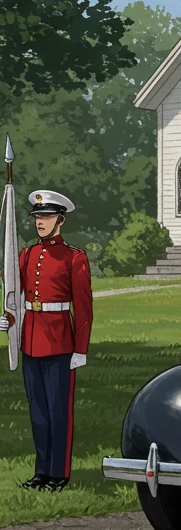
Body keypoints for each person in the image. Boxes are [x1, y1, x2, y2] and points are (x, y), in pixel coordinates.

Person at [0, 191, 92, 492]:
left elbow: (84, 308)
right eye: (38, 217)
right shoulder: (26, 255)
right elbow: (16, 293)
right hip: (31, 341)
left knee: (57, 412)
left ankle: (58, 474)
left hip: (60, 345)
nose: (40, 222)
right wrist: (10, 321)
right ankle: (41, 472)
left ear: (60, 220)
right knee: (38, 414)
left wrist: (80, 349)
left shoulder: (74, 258)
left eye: (47, 217)